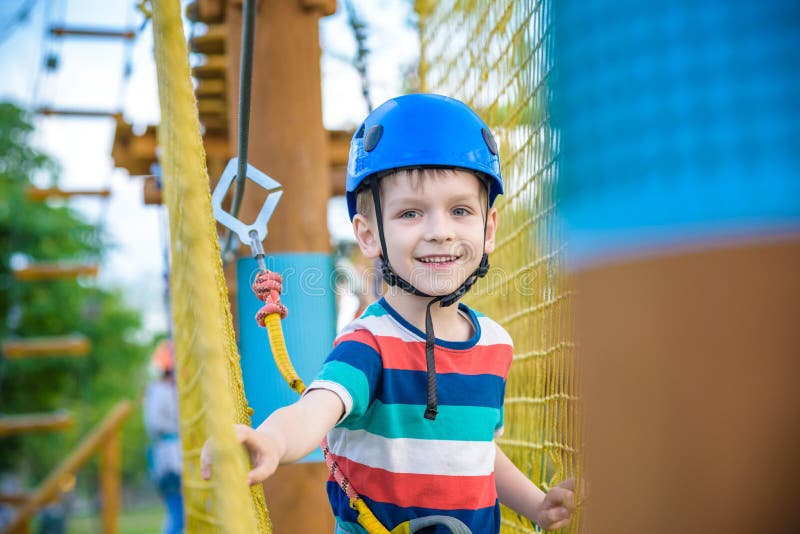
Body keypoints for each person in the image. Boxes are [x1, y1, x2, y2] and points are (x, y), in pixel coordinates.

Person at [203, 94, 575, 533]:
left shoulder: (496, 345)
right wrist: (272, 439)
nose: (440, 232)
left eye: (460, 210)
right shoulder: (368, 344)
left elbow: (476, 453)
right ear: (368, 235)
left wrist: (536, 505)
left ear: (488, 228)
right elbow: (313, 410)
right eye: (410, 213)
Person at [144, 340, 185, 534]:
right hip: (170, 459)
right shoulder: (161, 391)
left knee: (180, 512)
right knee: (178, 512)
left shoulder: (162, 390)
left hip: (171, 456)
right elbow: (156, 424)